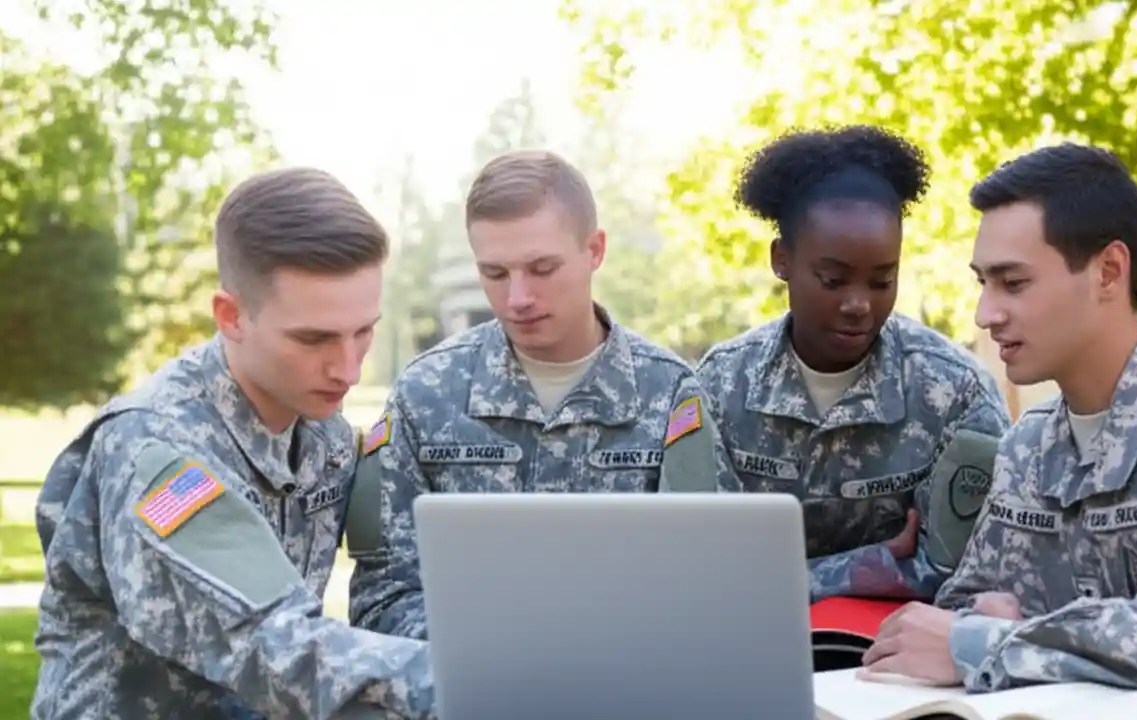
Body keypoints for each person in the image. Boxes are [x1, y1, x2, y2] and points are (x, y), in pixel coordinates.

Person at [863, 143, 1137, 693]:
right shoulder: (1027, 445)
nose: (985, 314)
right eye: (982, 283)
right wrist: (989, 629)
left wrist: (997, 644)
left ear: (1108, 271)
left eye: (1013, 283)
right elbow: (967, 604)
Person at [31, 167, 438, 719]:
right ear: (231, 316)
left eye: (363, 331)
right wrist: (470, 682)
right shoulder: (157, 449)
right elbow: (270, 644)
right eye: (314, 337)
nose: (348, 367)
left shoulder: (327, 439)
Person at [346, 149, 741, 641]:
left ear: (595, 250)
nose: (518, 298)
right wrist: (494, 647)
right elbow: (381, 598)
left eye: (542, 268)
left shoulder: (672, 395)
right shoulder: (425, 394)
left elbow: (707, 579)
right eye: (494, 274)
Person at [695, 125, 1011, 605]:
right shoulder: (719, 386)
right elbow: (702, 565)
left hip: (897, 661)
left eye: (883, 280)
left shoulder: (956, 392)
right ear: (782, 260)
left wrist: (782, 580)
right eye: (833, 279)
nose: (859, 304)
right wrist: (869, 566)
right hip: (747, 651)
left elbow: (959, 569)